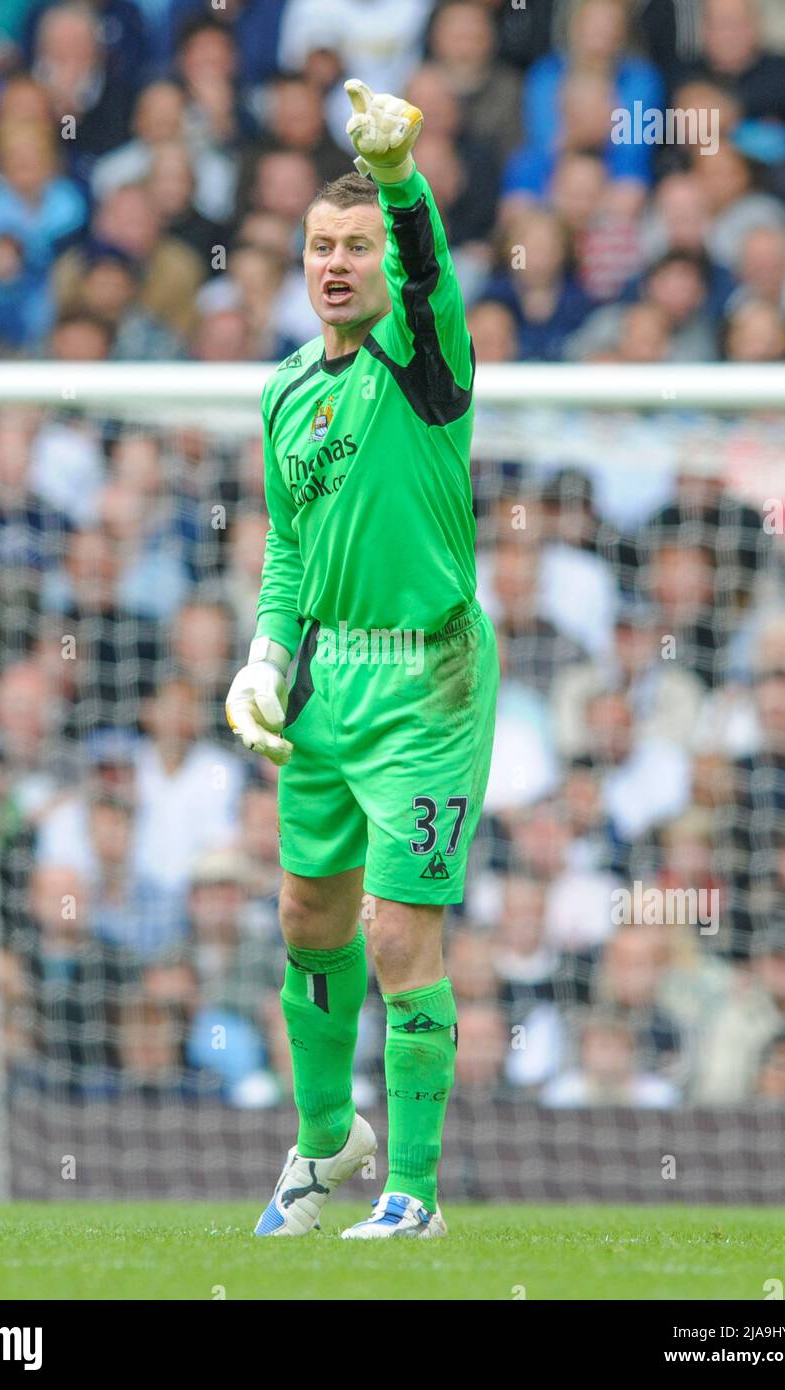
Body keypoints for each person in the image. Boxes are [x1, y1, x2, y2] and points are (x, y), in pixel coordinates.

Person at [225, 80, 499, 1239]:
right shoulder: (285, 388)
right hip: (328, 677)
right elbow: (289, 548)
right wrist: (263, 652)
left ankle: (416, 1194)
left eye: (354, 247)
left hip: (428, 673)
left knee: (396, 929)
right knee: (306, 915)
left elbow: (430, 269)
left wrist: (398, 182)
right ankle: (328, 1143)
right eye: (317, 246)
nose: (335, 264)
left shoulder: (423, 360)